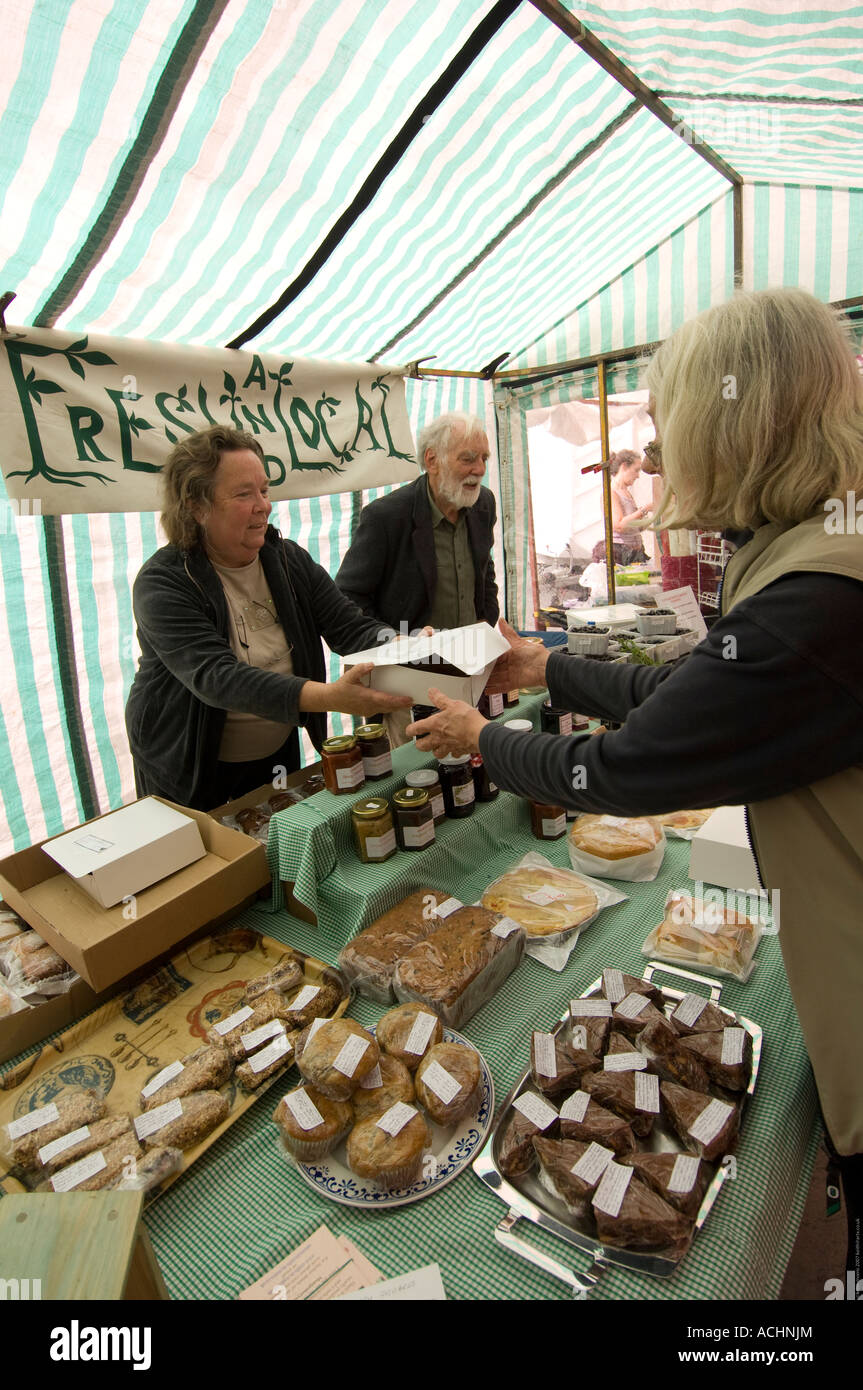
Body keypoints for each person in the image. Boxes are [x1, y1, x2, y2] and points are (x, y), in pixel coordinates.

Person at [408, 287, 863, 1280]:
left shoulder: (817, 597)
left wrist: (485, 740)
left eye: (670, 418)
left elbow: (623, 767)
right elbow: (692, 688)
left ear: (736, 419)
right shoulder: (815, 554)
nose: (656, 449)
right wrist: (550, 670)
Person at [125, 425, 411, 810]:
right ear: (197, 506)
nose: (263, 505)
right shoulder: (163, 583)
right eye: (244, 494)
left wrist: (402, 645)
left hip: (273, 755)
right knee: (218, 862)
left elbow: (351, 628)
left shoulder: (288, 561)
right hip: (188, 766)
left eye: (264, 489)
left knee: (274, 842)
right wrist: (330, 698)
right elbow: (217, 677)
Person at [336, 411, 499, 744]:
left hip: (471, 673)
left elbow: (484, 570)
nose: (479, 469)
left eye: (483, 458)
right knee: (420, 778)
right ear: (432, 460)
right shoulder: (386, 517)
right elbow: (347, 601)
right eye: (468, 459)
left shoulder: (483, 503)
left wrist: (486, 620)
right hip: (410, 686)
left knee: (471, 772)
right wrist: (398, 644)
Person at [606, 448, 650, 564]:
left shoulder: (626, 492)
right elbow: (619, 526)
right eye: (636, 470)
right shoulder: (611, 493)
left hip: (637, 551)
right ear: (624, 466)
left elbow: (634, 527)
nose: (638, 476)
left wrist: (649, 520)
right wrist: (644, 510)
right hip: (622, 553)